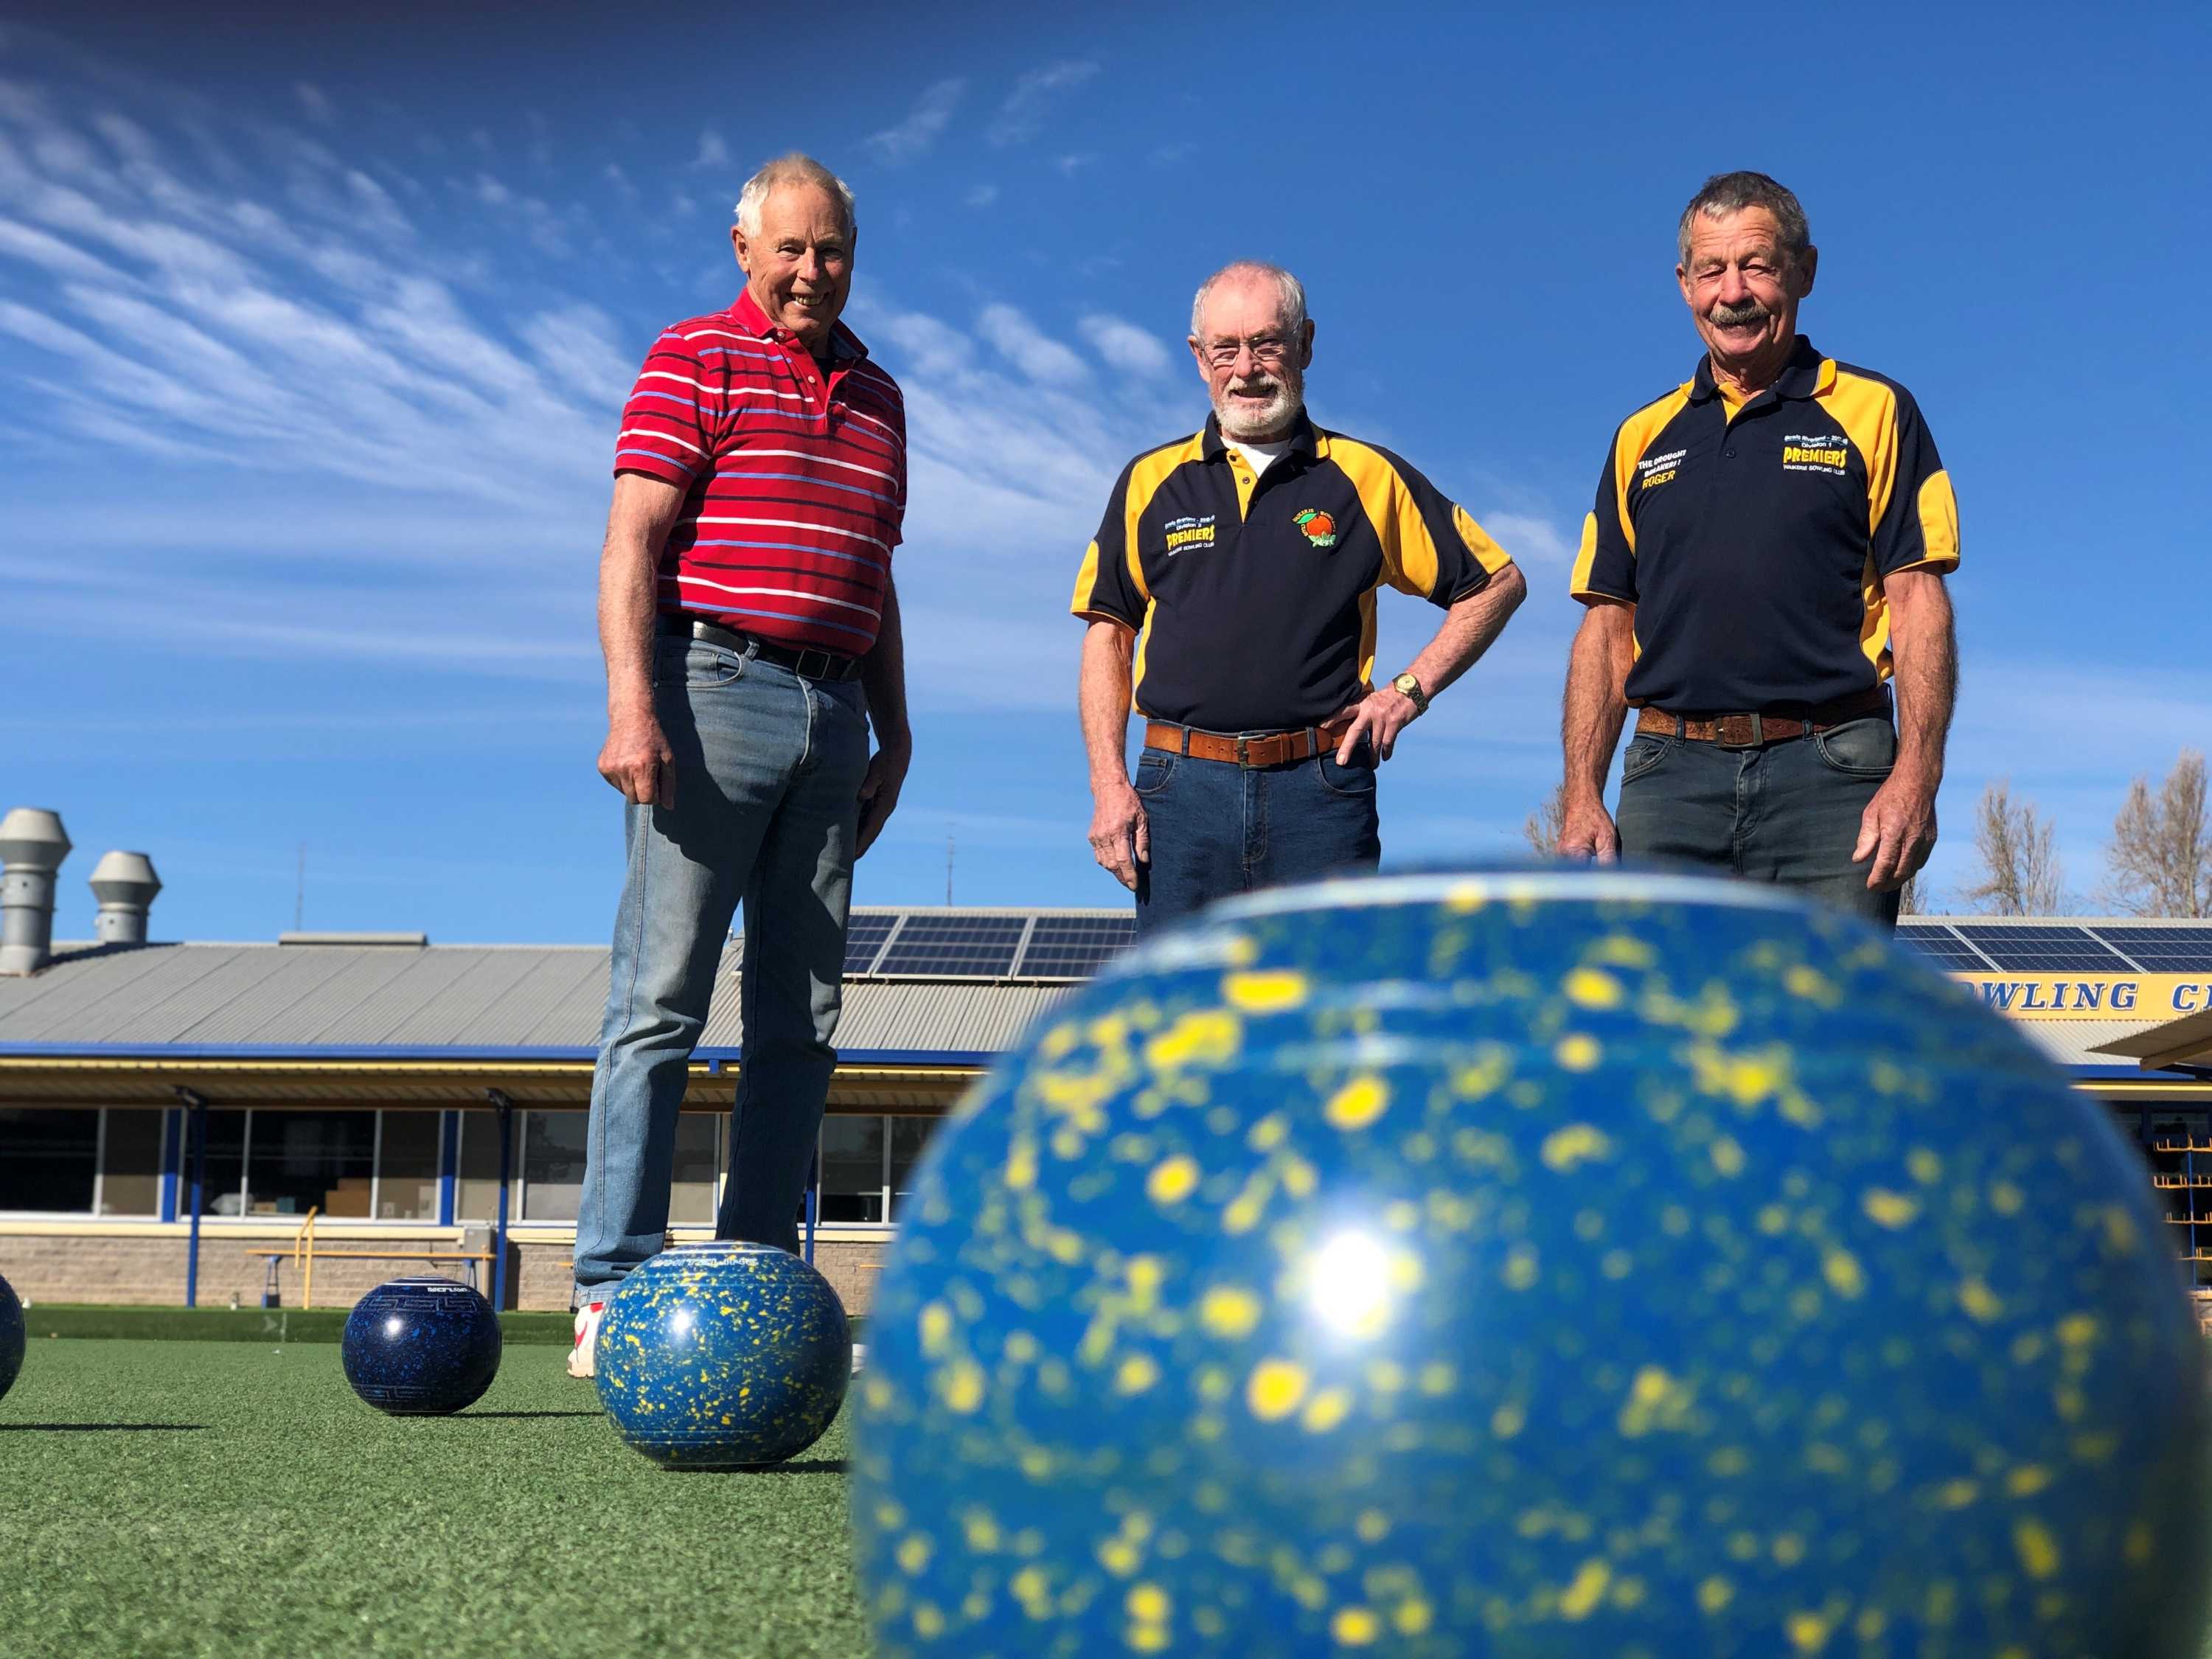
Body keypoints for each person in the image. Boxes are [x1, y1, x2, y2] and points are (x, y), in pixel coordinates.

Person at [567, 153, 911, 1377]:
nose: (812, 270)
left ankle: (755, 1277)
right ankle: (612, 1289)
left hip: (836, 716)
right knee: (661, 999)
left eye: (833, 252)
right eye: (792, 248)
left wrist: (897, 726)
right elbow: (632, 541)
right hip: (709, 692)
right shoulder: (691, 357)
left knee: (800, 1021)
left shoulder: (878, 395)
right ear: (744, 248)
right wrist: (630, 705)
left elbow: (877, 570)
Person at [1074, 260, 1526, 933]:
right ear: (1199, 358)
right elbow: (1108, 635)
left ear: (1305, 344)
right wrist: (1109, 785)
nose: (1246, 368)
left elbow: (1496, 583)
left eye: (1268, 343)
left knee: (1326, 1026)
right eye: (1225, 348)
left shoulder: (1367, 476)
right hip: (1178, 795)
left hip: (1320, 792)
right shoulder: (1148, 482)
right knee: (1186, 1029)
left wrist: (1408, 690)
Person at [1559, 172, 1958, 926]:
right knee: (1662, 1032)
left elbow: (1918, 599)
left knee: (1825, 1033)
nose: (1732, 292)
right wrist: (1582, 792)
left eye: (1758, 266)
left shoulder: (1877, 411)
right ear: (1684, 285)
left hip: (1836, 778)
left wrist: (1919, 774)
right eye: (1712, 270)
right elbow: (1606, 628)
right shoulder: (1640, 439)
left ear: (1805, 272)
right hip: (1668, 781)